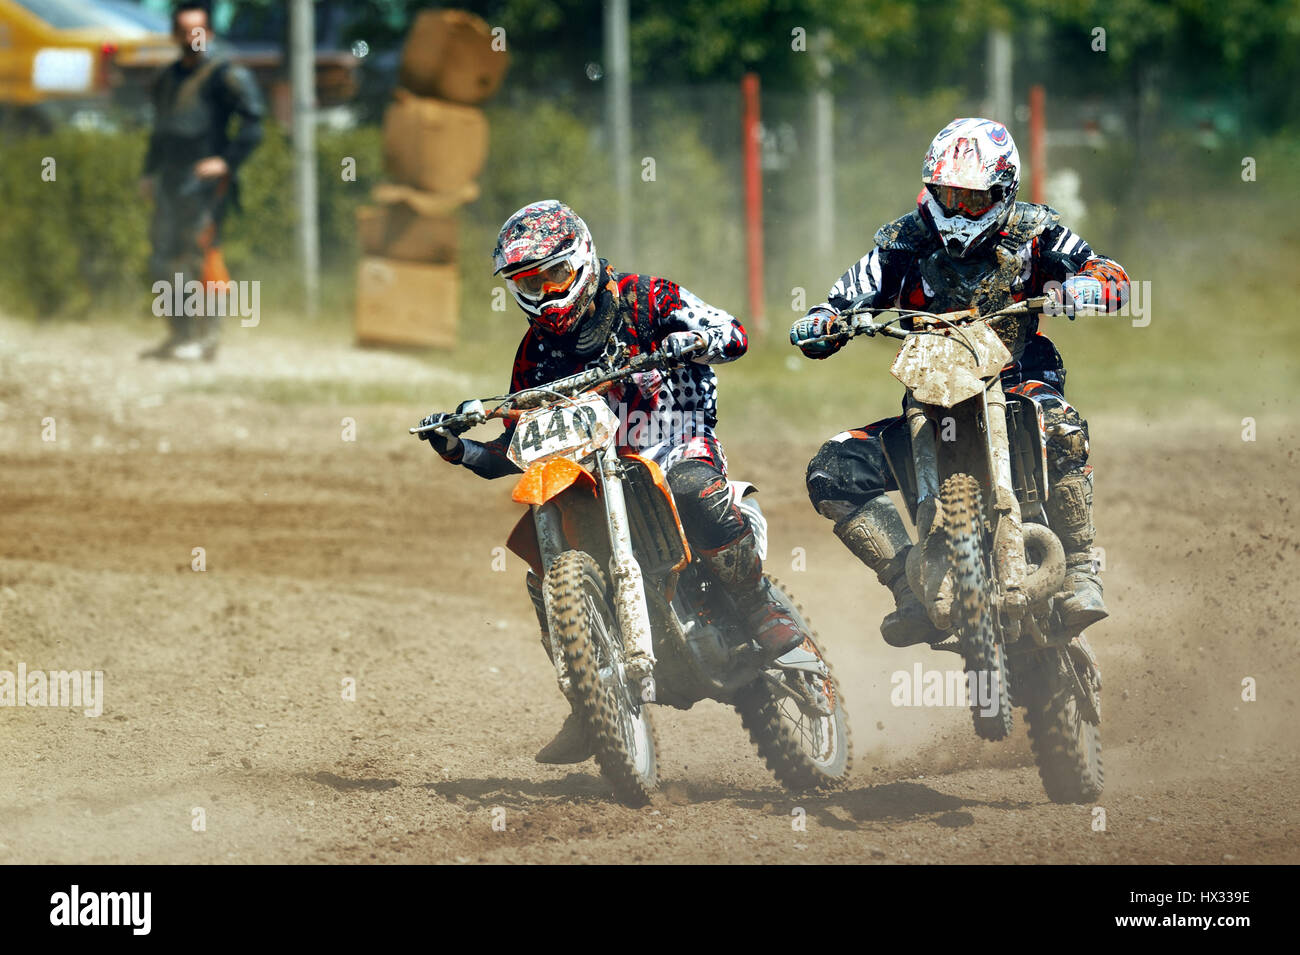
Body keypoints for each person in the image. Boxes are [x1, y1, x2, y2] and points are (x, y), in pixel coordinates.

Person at [419, 200, 806, 763]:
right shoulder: (536, 354)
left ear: (581, 258)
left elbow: (733, 332)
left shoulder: (647, 297)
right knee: (540, 559)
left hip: (674, 441)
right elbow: (521, 446)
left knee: (694, 487)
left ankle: (758, 606)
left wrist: (691, 342)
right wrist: (461, 449)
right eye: (531, 281)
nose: (548, 292)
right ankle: (588, 697)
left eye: (555, 274)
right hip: (596, 469)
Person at [790, 118, 1129, 647]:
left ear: (1002, 193)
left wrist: (1090, 285)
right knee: (832, 471)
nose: (957, 209)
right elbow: (844, 295)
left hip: (1019, 381)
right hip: (932, 402)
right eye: (947, 194)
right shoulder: (902, 243)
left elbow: (1107, 272)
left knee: (1062, 427)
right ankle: (908, 584)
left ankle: (1082, 568)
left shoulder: (1036, 233)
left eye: (972, 199)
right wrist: (826, 321)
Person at [139, 1, 265, 361]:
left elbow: (254, 124)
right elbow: (159, 132)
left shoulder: (225, 76)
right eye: (185, 30)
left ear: (208, 33)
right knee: (165, 259)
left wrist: (225, 163)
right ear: (175, 34)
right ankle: (179, 335)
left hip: (206, 184)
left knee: (200, 256)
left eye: (199, 29)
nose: (192, 37)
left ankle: (206, 339)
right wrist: (149, 172)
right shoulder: (167, 79)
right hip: (171, 180)